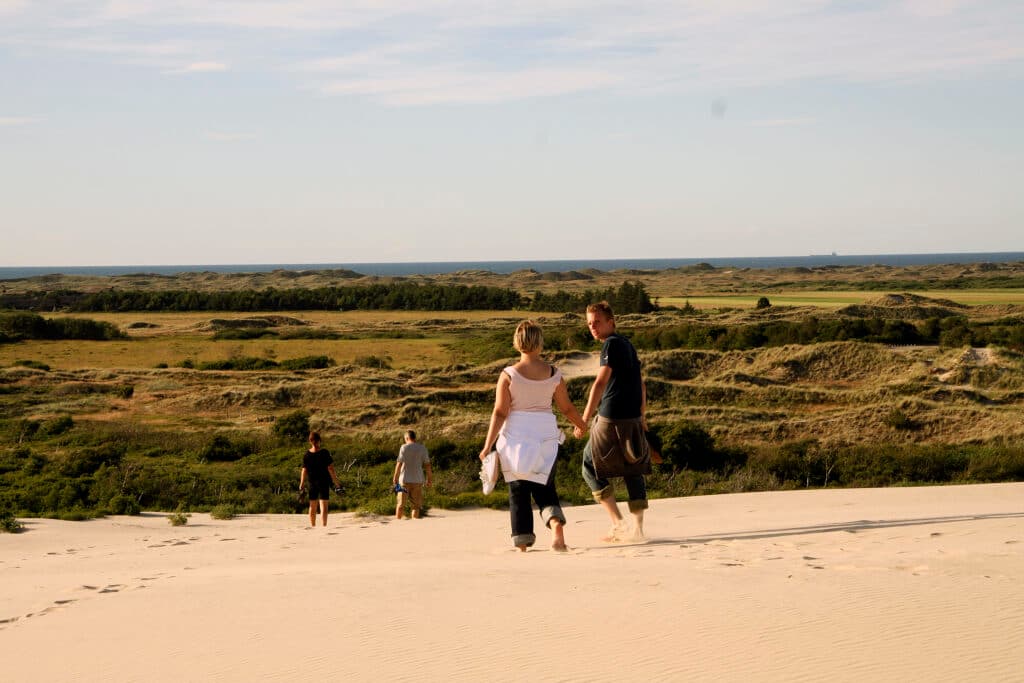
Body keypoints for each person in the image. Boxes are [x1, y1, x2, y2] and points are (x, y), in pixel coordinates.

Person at [479, 320, 587, 552]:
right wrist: (581, 425)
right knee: (545, 486)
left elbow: (500, 411)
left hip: (515, 436)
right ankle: (556, 524)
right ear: (540, 343)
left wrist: (488, 445)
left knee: (518, 489)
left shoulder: (508, 375)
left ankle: (523, 541)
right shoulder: (554, 374)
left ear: (517, 343)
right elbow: (566, 408)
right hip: (546, 436)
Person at [580, 301, 651, 542]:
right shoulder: (627, 344)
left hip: (610, 418)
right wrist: (642, 416)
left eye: (597, 322)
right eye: (590, 323)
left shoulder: (610, 345)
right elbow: (641, 383)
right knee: (633, 469)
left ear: (611, 322)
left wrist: (585, 417)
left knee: (589, 465)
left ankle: (618, 523)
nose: (593, 327)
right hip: (631, 417)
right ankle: (638, 530)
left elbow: (600, 382)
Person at [299, 431, 341, 527]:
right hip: (323, 482)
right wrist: (336, 482)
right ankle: (324, 526)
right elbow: (330, 469)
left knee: (312, 506)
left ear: (310, 441)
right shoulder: (324, 453)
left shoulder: (307, 455)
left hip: (312, 483)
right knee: (324, 506)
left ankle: (313, 526)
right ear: (319, 441)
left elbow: (304, 470)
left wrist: (301, 483)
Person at [392, 430, 433, 519]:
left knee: (400, 505)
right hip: (417, 481)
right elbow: (427, 465)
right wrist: (429, 479)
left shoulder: (404, 447)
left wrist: (395, 477)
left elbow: (399, 464)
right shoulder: (422, 448)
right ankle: (415, 523)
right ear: (414, 438)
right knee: (415, 506)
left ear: (407, 438)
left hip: (404, 480)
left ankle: (397, 523)